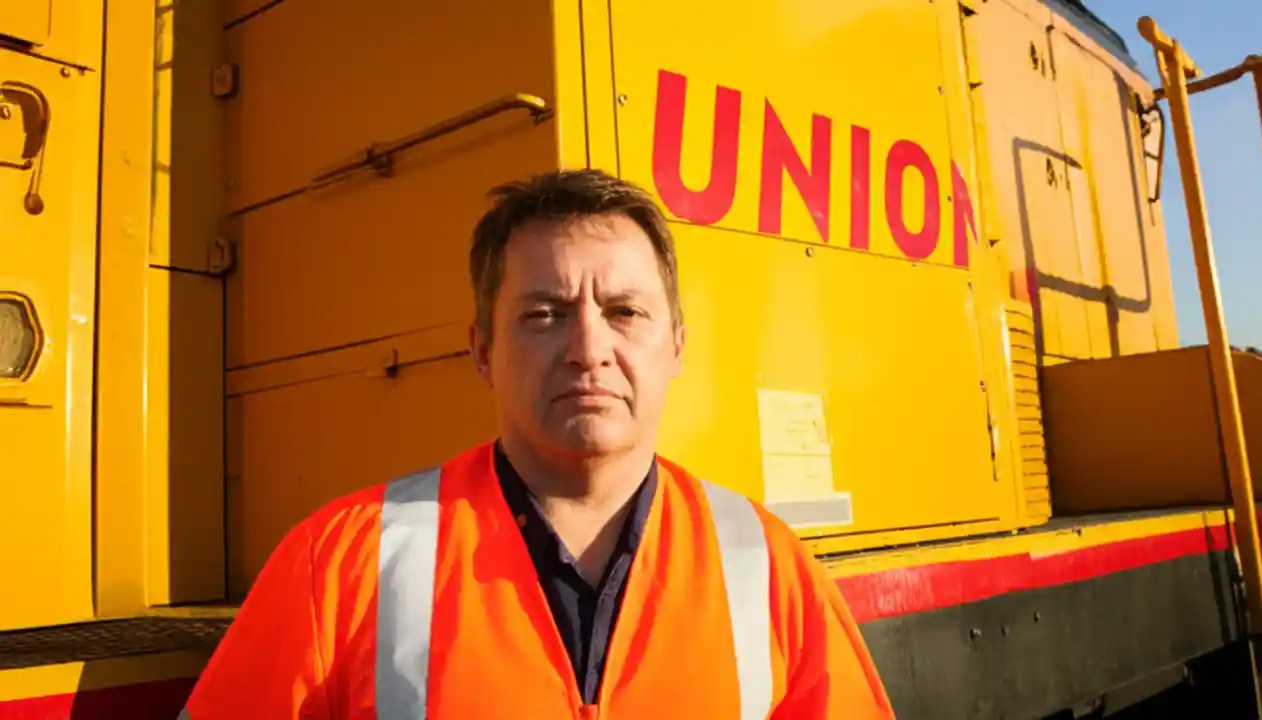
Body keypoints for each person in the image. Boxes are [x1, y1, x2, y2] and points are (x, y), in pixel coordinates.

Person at [179, 169, 894, 719]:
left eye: (625, 312)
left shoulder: (769, 567)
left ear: (676, 346)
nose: (588, 348)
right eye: (544, 314)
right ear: (482, 350)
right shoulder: (338, 564)